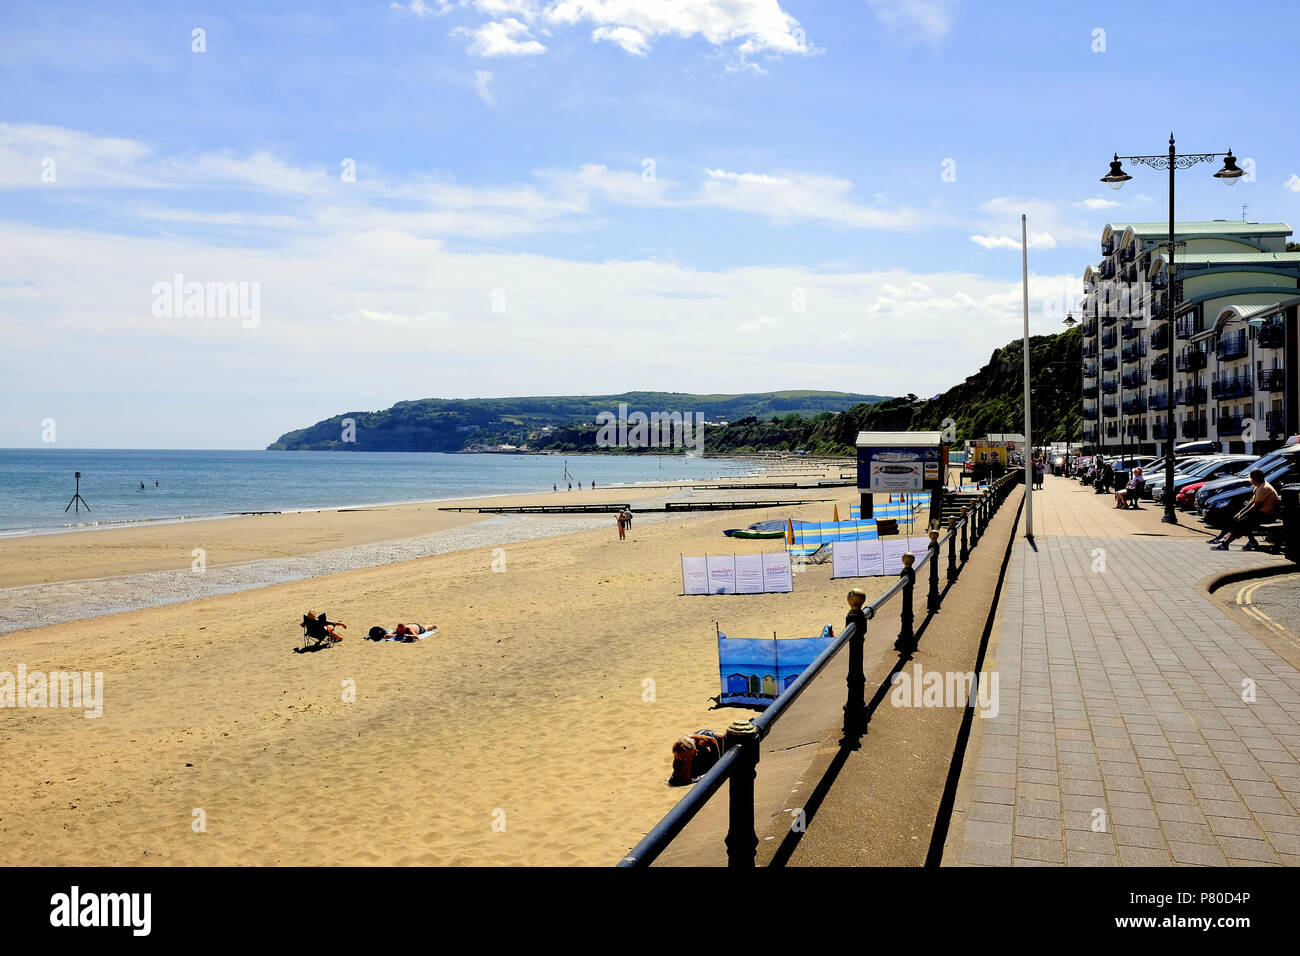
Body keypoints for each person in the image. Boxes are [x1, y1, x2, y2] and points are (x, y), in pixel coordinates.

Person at [1212, 469, 1279, 551]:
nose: (1251, 480)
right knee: (1237, 519)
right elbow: (1252, 503)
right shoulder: (1259, 486)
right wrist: (1240, 513)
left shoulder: (1263, 488)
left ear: (1255, 478)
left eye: (1251, 478)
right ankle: (1250, 541)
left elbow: (1256, 506)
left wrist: (1243, 514)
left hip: (1266, 515)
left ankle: (1225, 544)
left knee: (1241, 523)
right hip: (1261, 513)